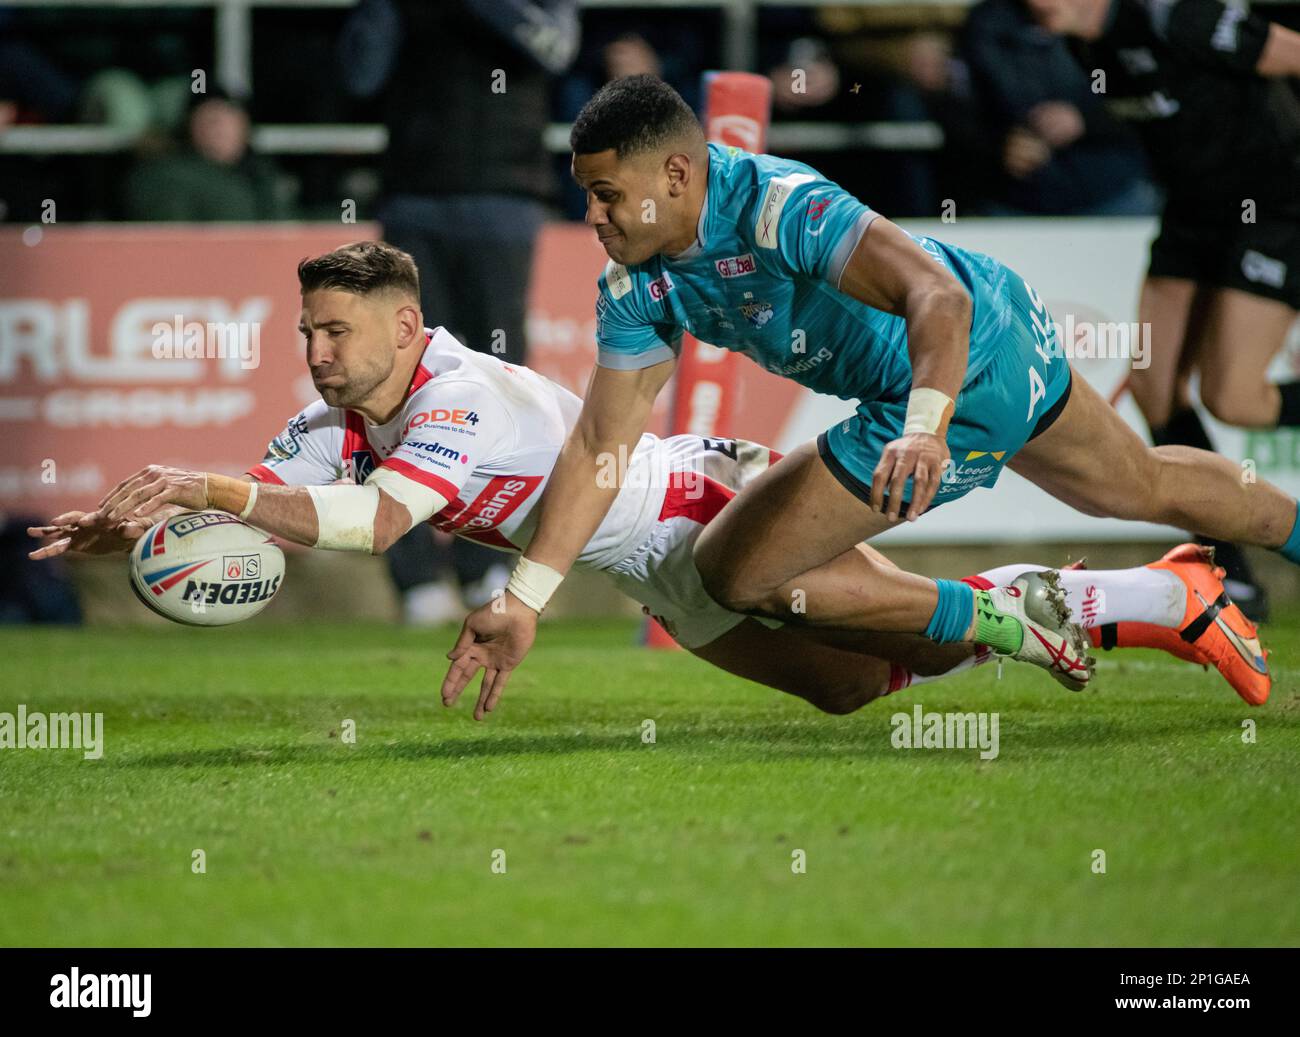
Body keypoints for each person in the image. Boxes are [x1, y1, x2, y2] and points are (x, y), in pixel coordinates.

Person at [24, 243, 1266, 713]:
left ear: (406, 327)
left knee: (846, 611)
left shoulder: (465, 393)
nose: (316, 353)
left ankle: (1114, 602)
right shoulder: (330, 415)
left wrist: (217, 487)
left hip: (693, 501)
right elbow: (282, 510)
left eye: (336, 332)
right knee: (873, 684)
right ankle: (1130, 597)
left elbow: (368, 520)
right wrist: (157, 517)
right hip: (647, 576)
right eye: (306, 333)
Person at [438, 74, 1289, 715]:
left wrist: (924, 428)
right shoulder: (635, 284)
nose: (593, 214)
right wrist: (524, 601)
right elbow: (600, 448)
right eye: (588, 194)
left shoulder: (775, 204)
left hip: (943, 365)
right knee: (1139, 485)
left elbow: (935, 298)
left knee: (737, 570)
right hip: (996, 321)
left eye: (608, 193)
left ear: (674, 173)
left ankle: (1017, 617)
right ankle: (1206, 576)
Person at [1027, 0, 1300, 619]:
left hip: (1273, 209)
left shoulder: (1177, 15)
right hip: (1190, 217)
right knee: (1154, 391)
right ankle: (1231, 572)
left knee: (1236, 399)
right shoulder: (1084, 44)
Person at [339, 0, 579, 622]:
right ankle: (415, 574)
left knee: (503, 387)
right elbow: (359, 76)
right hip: (415, 200)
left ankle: (491, 562)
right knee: (397, 384)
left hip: (505, 200)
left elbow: (554, 48)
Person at [122, 90, 289, 222]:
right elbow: (170, 245)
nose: (219, 130)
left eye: (229, 120)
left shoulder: (261, 174)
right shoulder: (165, 177)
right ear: (189, 127)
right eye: (210, 121)